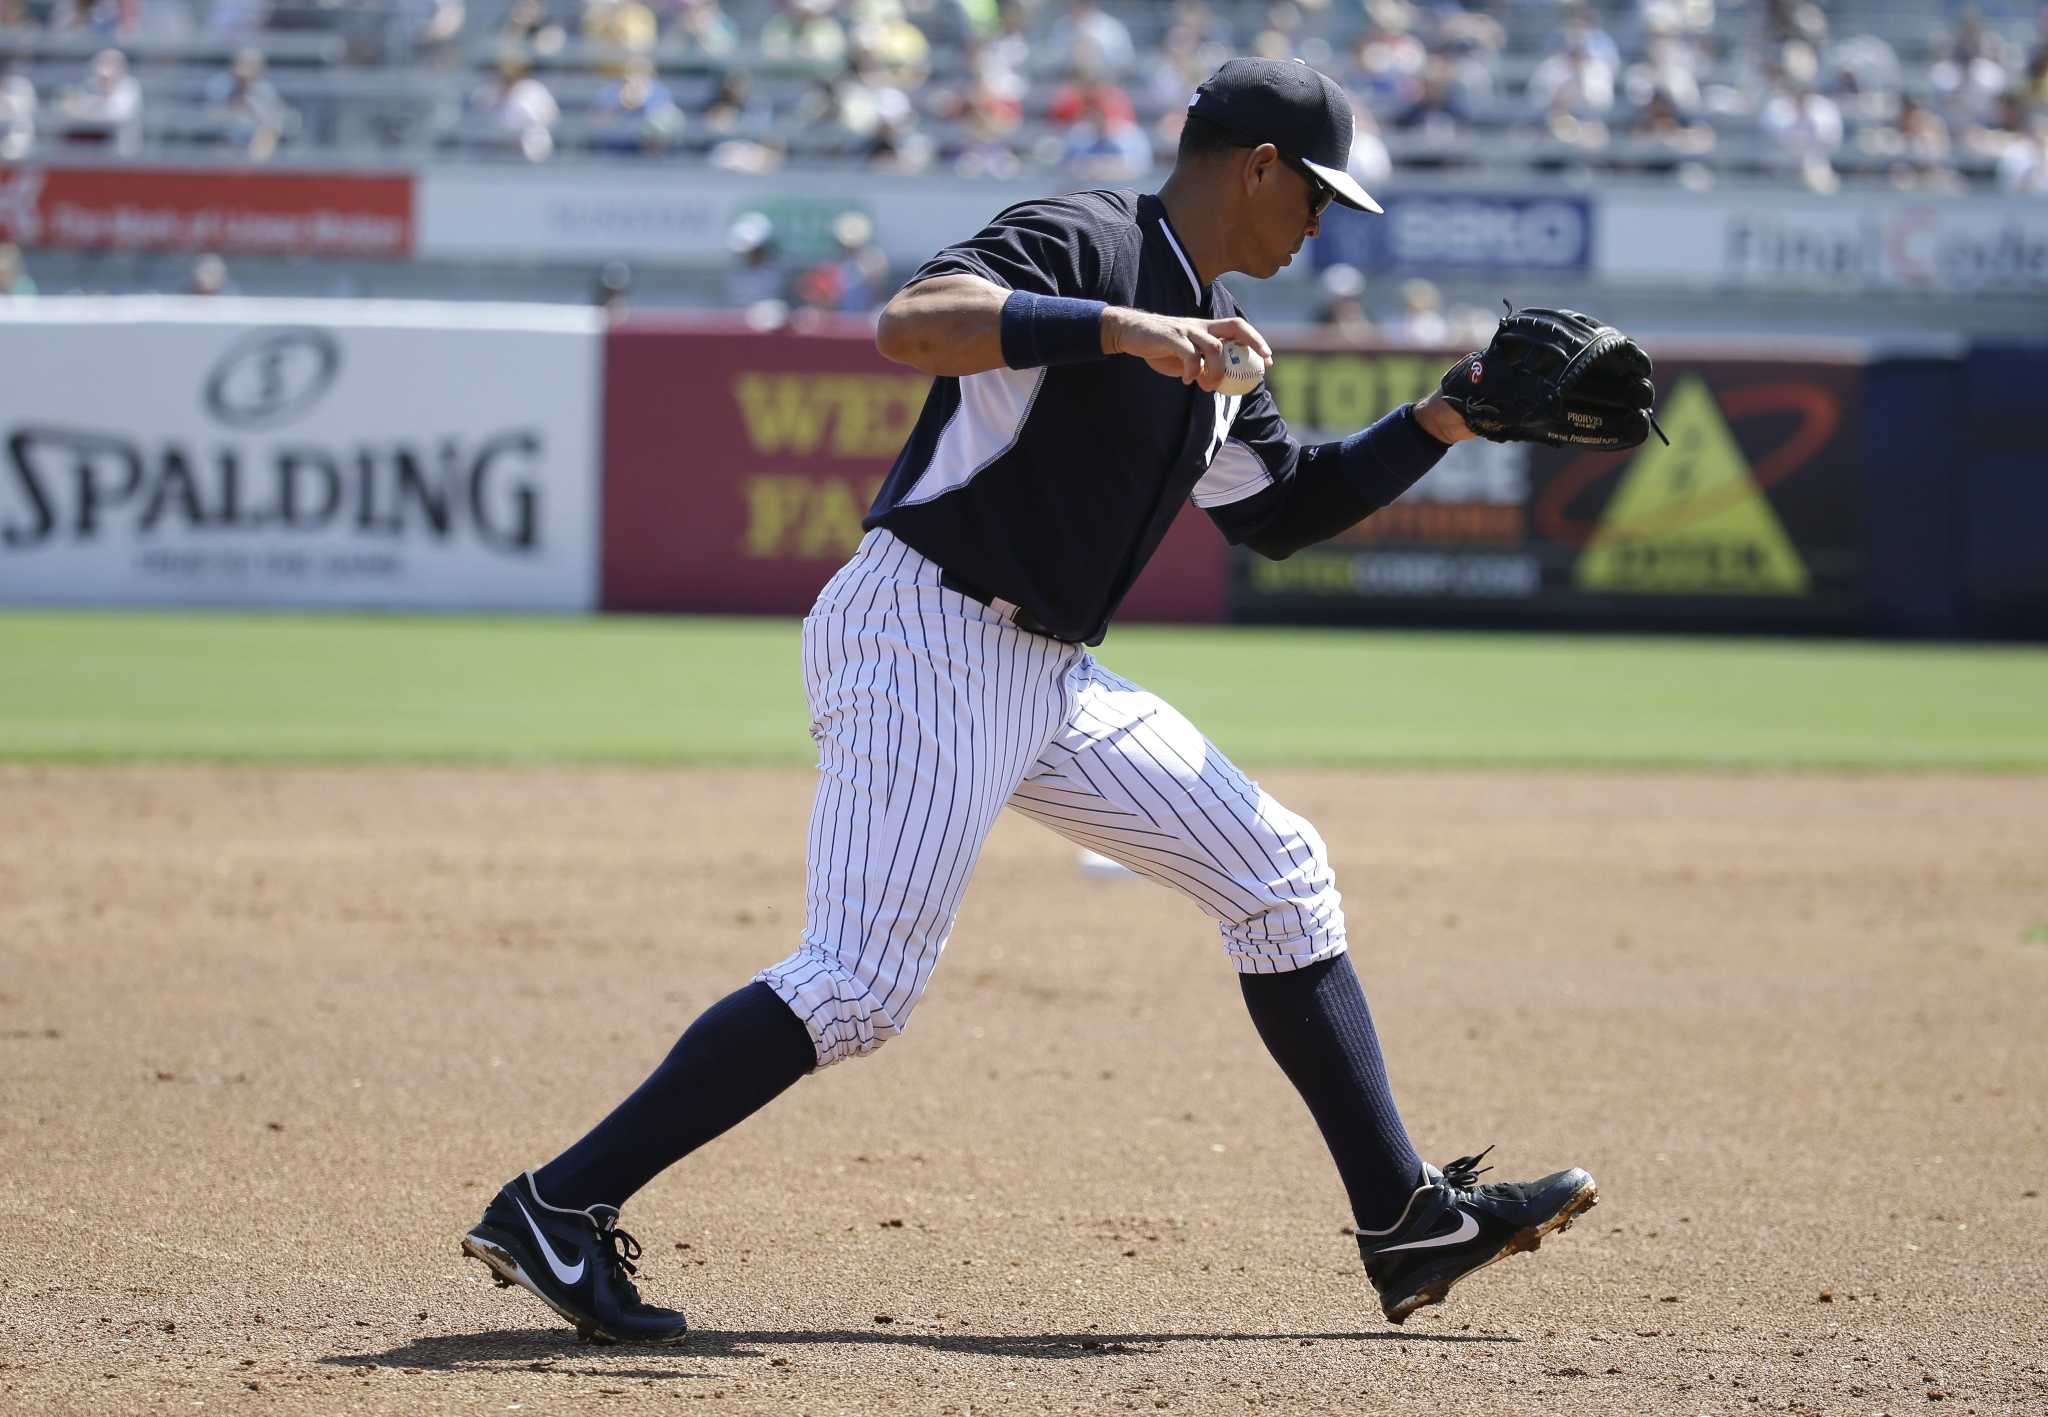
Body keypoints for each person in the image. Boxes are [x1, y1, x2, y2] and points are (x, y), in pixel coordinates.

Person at [461, 56, 1598, 1346]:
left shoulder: (1217, 332)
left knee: (1279, 875)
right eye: (1316, 194)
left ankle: (1403, 1220)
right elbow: (913, 324)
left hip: (1046, 675)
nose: (1321, 224)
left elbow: (1282, 514)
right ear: (1258, 166)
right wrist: (1122, 329)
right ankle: (557, 1207)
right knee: (856, 987)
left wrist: (1445, 416)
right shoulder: (1093, 239)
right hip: (922, 634)